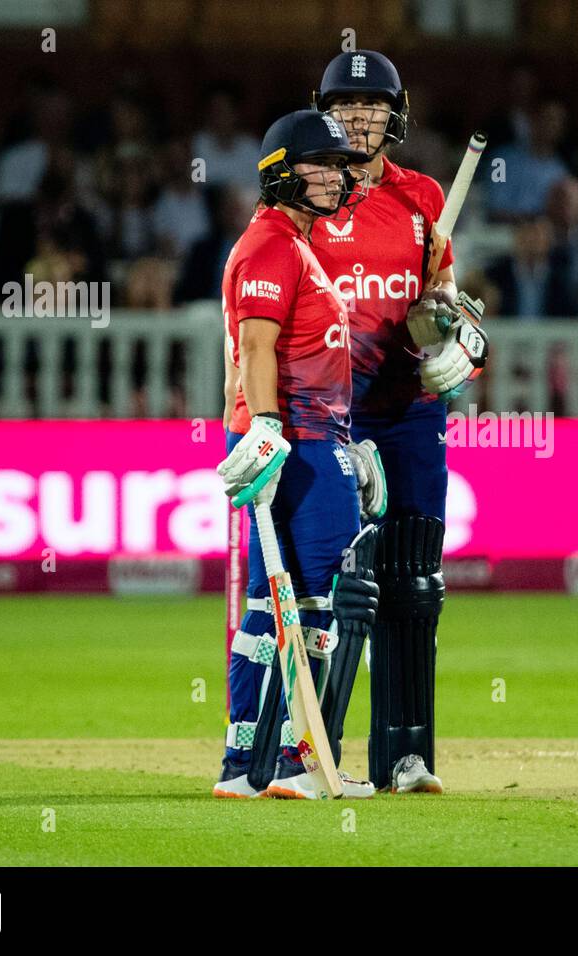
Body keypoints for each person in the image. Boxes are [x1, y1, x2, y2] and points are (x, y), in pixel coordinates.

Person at [310, 49, 491, 794]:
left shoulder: (422, 199)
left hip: (411, 416)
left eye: (371, 106)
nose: (358, 119)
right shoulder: (308, 197)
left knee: (414, 583)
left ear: (395, 115)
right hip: (329, 416)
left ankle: (407, 755)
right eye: (345, 106)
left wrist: (455, 344)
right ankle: (315, 753)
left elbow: (455, 310)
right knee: (337, 585)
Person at [212, 109, 382, 800]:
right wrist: (270, 430)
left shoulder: (290, 242)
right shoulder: (272, 245)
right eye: (324, 164)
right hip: (297, 441)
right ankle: (297, 761)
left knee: (267, 603)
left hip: (308, 437)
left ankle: (243, 765)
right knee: (323, 596)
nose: (339, 177)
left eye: (344, 166)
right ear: (283, 172)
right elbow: (255, 347)